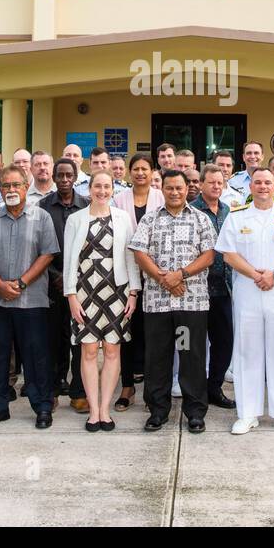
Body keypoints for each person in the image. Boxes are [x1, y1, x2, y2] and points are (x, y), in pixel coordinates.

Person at [217, 167, 274, 435]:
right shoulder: (237, 217)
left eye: (267, 182)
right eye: (257, 182)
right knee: (247, 351)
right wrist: (256, 275)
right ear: (250, 186)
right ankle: (247, 414)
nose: (262, 186)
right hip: (248, 290)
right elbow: (228, 254)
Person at [129, 169, 216, 433]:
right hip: (158, 304)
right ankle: (158, 410)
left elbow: (209, 255)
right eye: (170, 188)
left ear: (188, 188)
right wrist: (163, 278)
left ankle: (195, 412)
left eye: (179, 188)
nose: (175, 192)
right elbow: (139, 253)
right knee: (158, 357)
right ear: (163, 189)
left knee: (191, 356)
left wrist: (181, 275)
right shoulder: (150, 219)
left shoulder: (200, 219)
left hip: (191, 305)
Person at [0, 165, 60, 429]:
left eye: (16, 185)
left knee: (36, 356)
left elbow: (47, 255)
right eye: (6, 186)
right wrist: (0, 285)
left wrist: (21, 283)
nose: (11, 190)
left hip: (31, 299)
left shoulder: (42, 217)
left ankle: (42, 407)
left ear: (26, 186)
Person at [64, 170, 140, 431]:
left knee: (111, 350)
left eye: (107, 186)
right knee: (87, 350)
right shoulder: (75, 219)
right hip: (85, 291)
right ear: (89, 188)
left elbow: (131, 257)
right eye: (98, 186)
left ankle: (105, 410)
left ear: (113, 189)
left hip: (116, 290)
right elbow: (68, 263)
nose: (102, 191)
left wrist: (133, 292)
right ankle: (92, 411)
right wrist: (71, 296)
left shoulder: (122, 218)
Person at [112, 153, 163, 410]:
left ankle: (153, 390)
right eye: (136, 169)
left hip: (155, 275)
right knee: (127, 333)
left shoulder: (161, 197)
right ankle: (128, 385)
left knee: (153, 334)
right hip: (126, 275)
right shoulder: (119, 199)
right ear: (130, 172)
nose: (140, 173)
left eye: (145, 169)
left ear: (152, 172)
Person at [38, 158, 90, 412]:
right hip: (51, 284)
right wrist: (56, 275)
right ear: (54, 177)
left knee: (79, 340)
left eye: (69, 175)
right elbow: (35, 248)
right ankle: (55, 388)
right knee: (53, 341)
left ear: (76, 175)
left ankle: (79, 391)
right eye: (60, 175)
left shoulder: (87, 206)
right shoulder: (43, 207)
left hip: (82, 286)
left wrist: (75, 278)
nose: (65, 179)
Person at [194, 164, 236, 409]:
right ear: (201, 184)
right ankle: (197, 389)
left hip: (224, 289)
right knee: (197, 344)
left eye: (220, 183)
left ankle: (214, 387)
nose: (216, 187)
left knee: (224, 342)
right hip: (198, 289)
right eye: (211, 182)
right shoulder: (193, 210)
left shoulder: (227, 210)